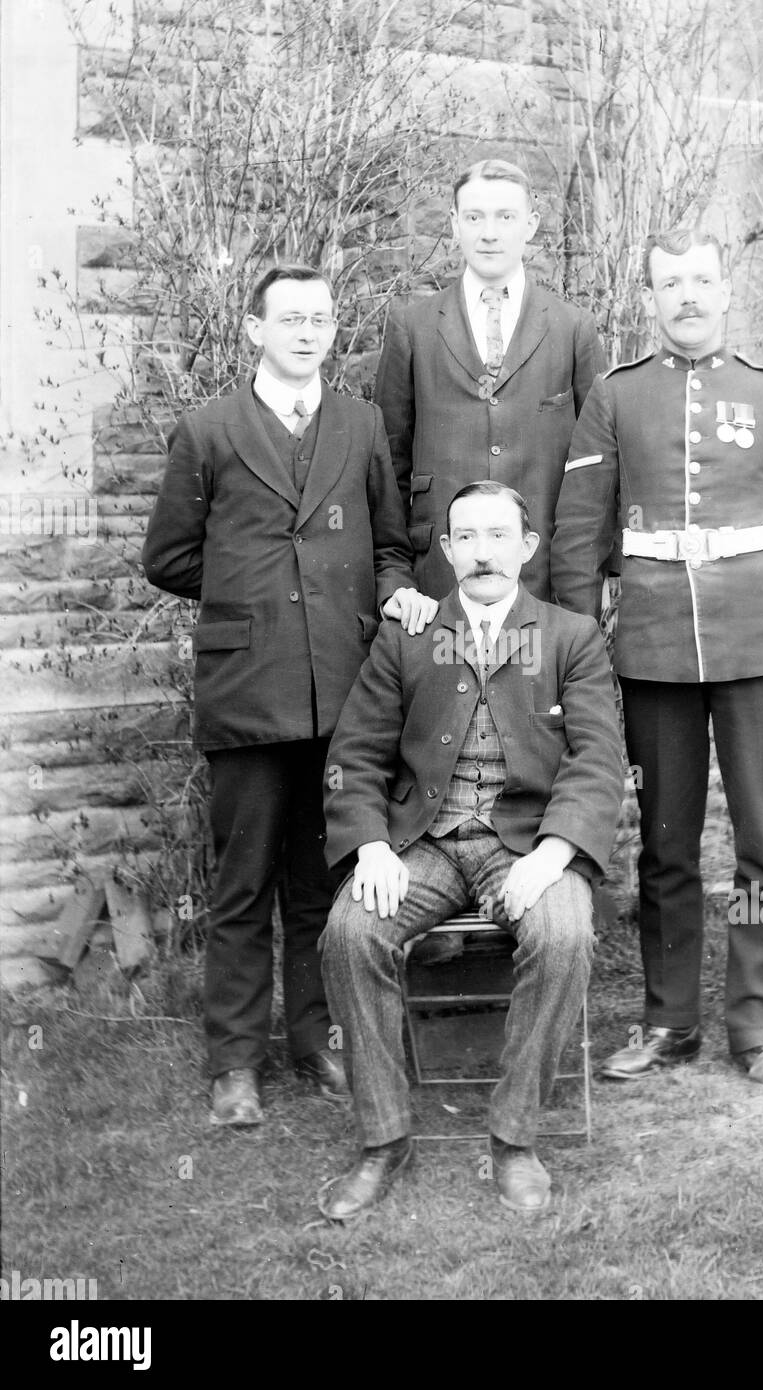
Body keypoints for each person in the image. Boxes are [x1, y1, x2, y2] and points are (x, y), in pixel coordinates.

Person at [142, 264, 436, 1127]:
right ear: (252, 329)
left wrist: (382, 593)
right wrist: (255, 595)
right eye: (290, 319)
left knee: (323, 879)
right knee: (241, 884)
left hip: (342, 694)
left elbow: (388, 547)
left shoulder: (360, 424)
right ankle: (234, 1061)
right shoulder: (208, 431)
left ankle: (314, 1042)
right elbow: (169, 556)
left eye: (321, 319)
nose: (307, 333)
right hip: (247, 689)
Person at [551, 228, 763, 1091]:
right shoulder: (613, 397)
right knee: (666, 846)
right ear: (648, 299)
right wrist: (577, 658)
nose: (686, 296)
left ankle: (760, 1027)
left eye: (701, 281)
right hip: (650, 654)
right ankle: (667, 1021)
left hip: (759, 650)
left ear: (725, 291)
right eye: (669, 283)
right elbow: (577, 539)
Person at [317, 481, 624, 1219]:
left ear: (526, 547)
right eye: (467, 538)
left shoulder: (571, 636)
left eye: (498, 536)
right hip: (424, 840)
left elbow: (597, 761)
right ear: (447, 550)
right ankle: (384, 1138)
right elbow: (354, 754)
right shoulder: (407, 636)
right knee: (350, 933)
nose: (483, 552)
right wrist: (369, 848)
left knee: (560, 934)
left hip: (526, 843)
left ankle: (514, 1138)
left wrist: (550, 859)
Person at [373, 158, 606, 601]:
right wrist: (396, 580)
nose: (489, 232)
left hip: (544, 575)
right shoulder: (413, 328)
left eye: (505, 216)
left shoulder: (573, 328)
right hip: (438, 577)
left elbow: (595, 472)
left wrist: (589, 585)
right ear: (455, 224)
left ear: (531, 225)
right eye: (475, 217)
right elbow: (390, 468)